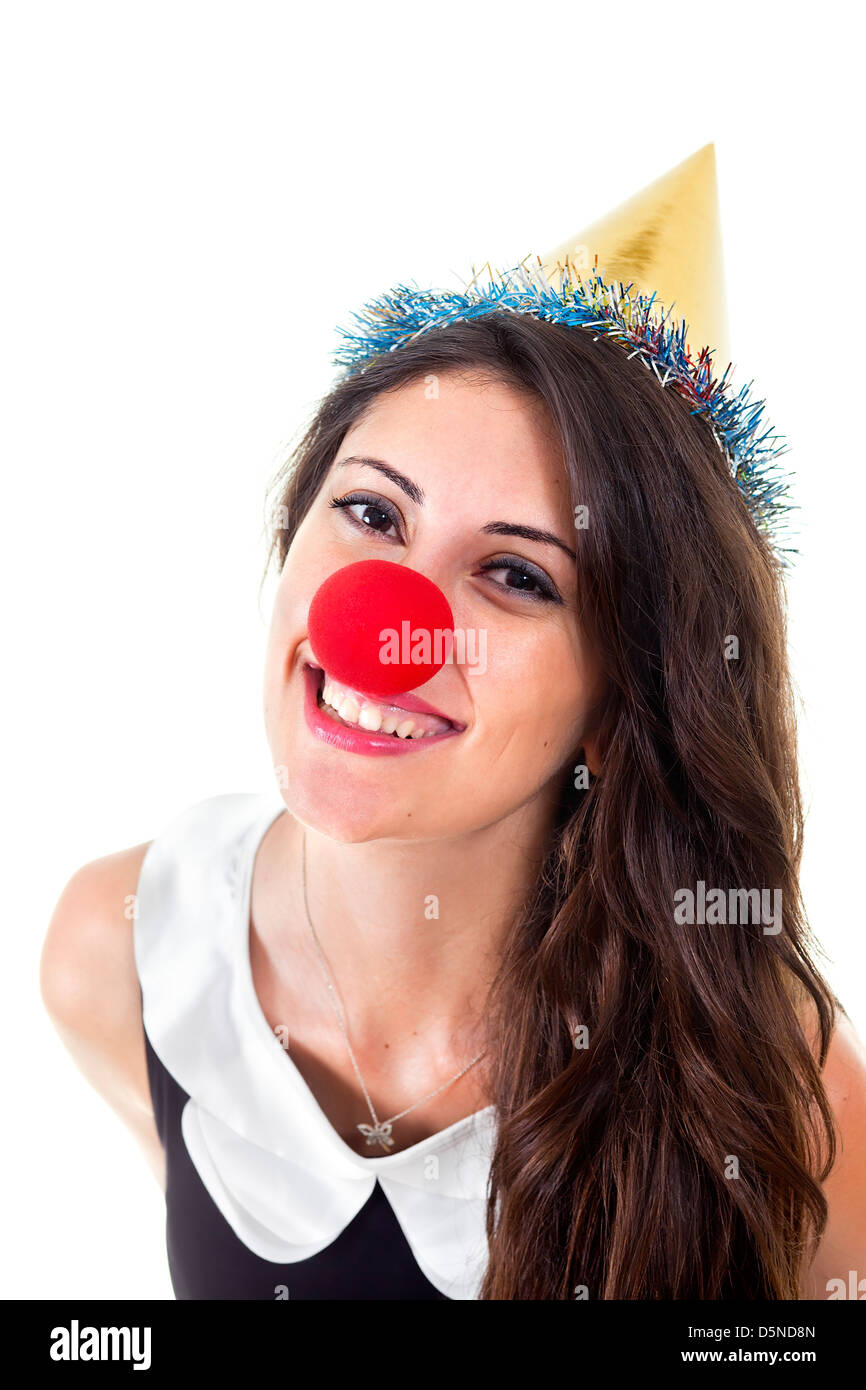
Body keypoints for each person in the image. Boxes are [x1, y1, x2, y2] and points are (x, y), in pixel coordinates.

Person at [40, 152, 866, 1300]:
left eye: (517, 576)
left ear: (620, 697)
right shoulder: (116, 954)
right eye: (371, 510)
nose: (392, 623)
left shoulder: (764, 1079)